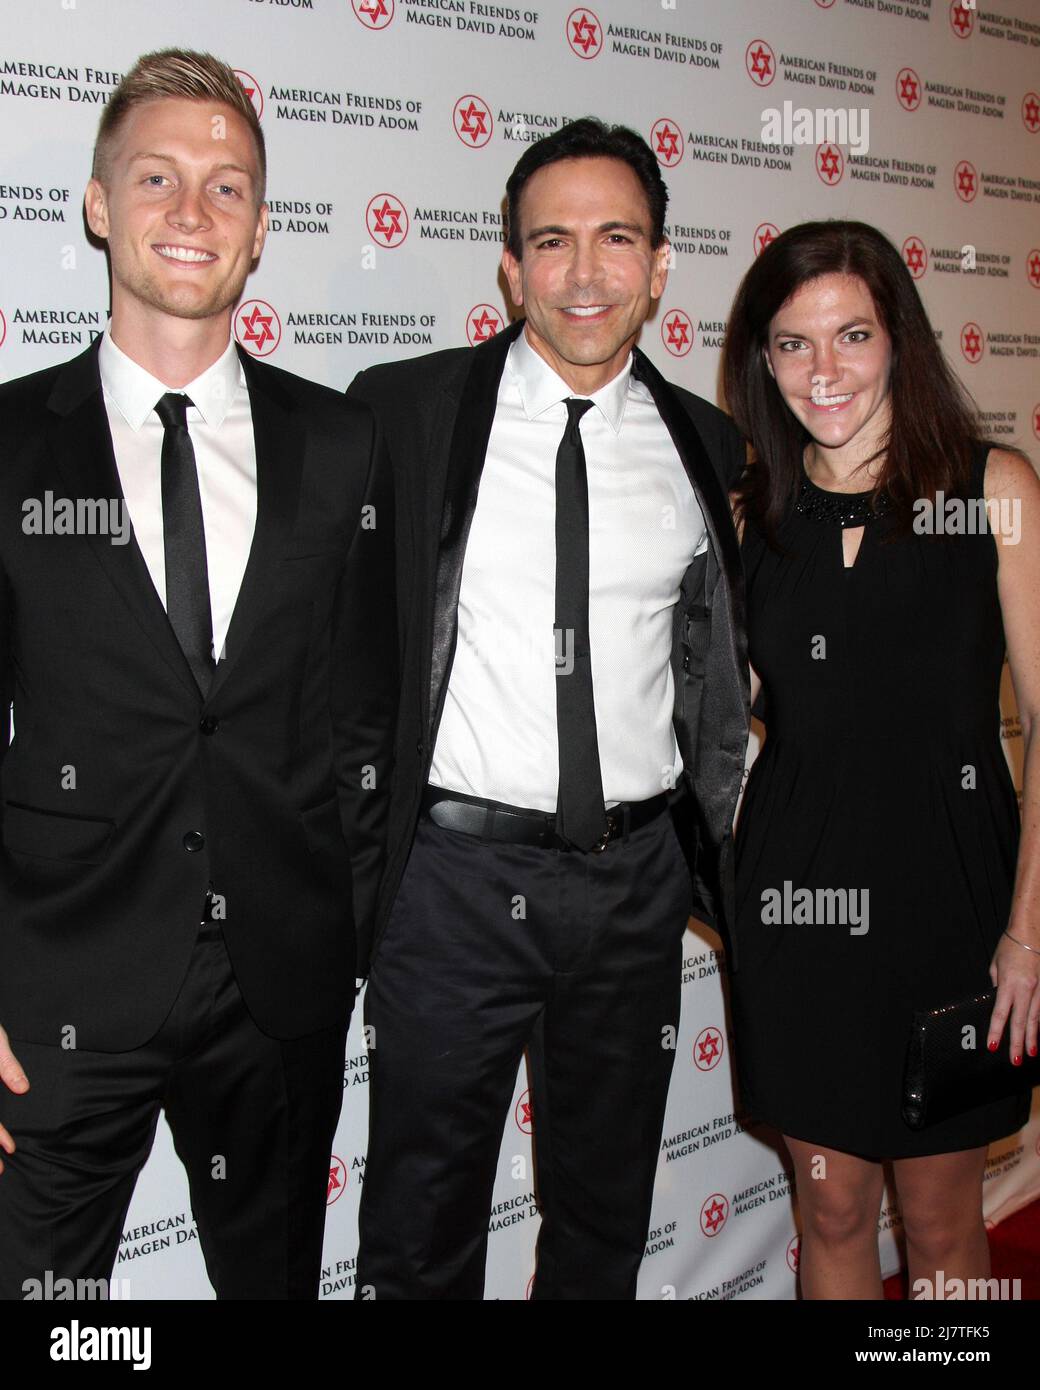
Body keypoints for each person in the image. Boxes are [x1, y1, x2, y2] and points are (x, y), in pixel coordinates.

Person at [0, 49, 396, 1300]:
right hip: (54, 986)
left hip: (277, 990)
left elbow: (364, 723)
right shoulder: (6, 443)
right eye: (157, 177)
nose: (190, 211)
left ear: (262, 229)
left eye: (227, 187)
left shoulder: (339, 443)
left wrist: (355, 941)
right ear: (97, 205)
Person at [347, 117, 749, 1300]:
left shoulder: (702, 443)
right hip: (450, 885)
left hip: (632, 889)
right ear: (510, 267)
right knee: (420, 1224)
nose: (583, 274)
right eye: (551, 242)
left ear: (660, 264)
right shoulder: (400, 414)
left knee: (601, 1215)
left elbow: (706, 661)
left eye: (616, 238)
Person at [721, 219, 1040, 1299]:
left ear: (896, 337)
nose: (823, 371)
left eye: (850, 335)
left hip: (954, 909)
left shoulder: (990, 489)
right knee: (829, 1207)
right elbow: (726, 721)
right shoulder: (751, 516)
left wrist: (1025, 935)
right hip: (797, 914)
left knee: (946, 1216)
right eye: (791, 343)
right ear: (760, 359)